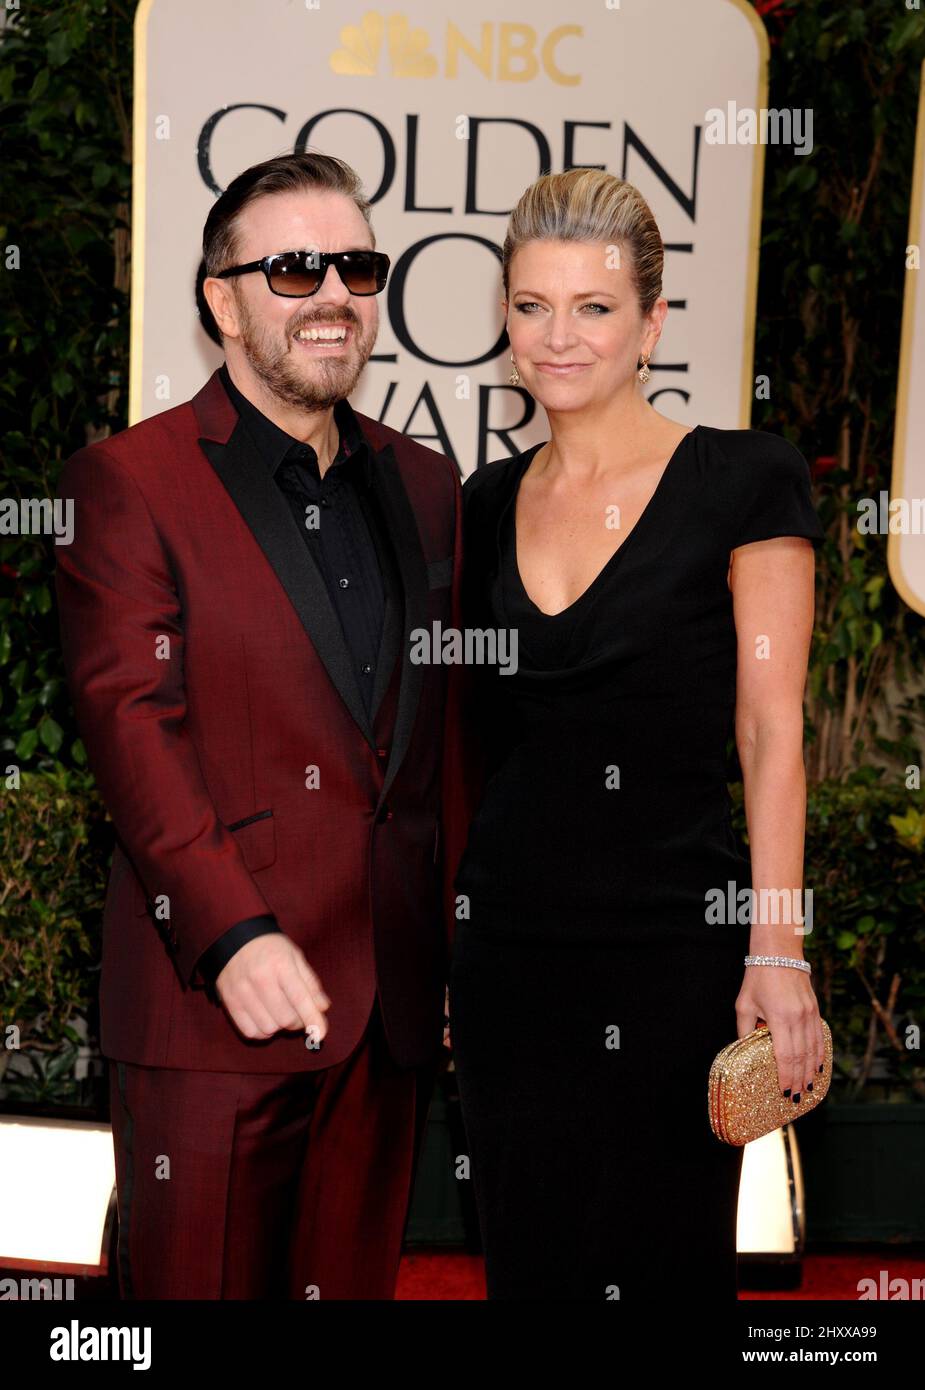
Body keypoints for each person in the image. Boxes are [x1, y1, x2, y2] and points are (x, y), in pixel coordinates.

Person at [55, 151, 466, 1300]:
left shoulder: (427, 484)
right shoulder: (129, 481)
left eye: (356, 266)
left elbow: (437, 754)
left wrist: (446, 956)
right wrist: (233, 934)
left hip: (381, 1016)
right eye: (292, 268)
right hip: (210, 1008)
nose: (333, 293)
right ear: (221, 300)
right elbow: (133, 730)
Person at [448, 168, 827, 1301]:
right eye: (532, 306)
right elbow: (473, 748)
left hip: (675, 953)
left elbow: (771, 731)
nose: (559, 337)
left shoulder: (744, 479)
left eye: (595, 307)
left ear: (652, 322)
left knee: (662, 1268)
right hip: (510, 958)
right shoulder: (480, 498)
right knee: (527, 1267)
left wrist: (776, 949)